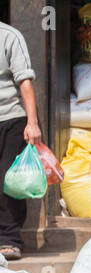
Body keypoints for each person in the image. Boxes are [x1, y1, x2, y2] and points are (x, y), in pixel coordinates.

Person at [0, 21, 41, 259]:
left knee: (8, 182)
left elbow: (24, 81)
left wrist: (32, 122)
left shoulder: (9, 36)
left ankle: (9, 240)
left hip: (11, 119)